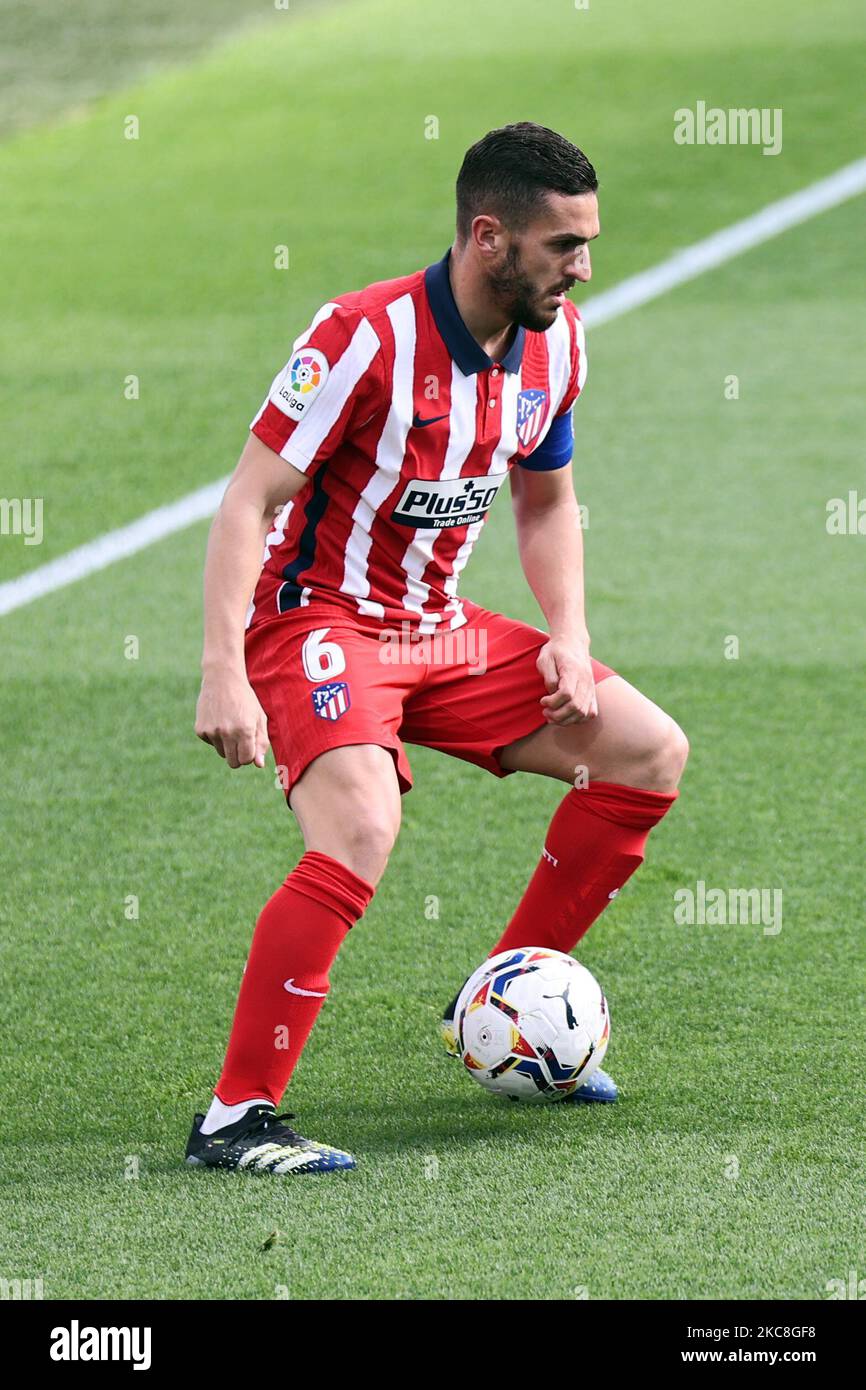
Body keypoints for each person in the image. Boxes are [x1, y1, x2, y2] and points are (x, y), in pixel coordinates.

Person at [186, 122, 688, 1175]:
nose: (580, 267)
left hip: (439, 627)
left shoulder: (559, 343)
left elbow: (544, 501)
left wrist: (568, 636)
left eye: (587, 242)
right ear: (486, 236)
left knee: (644, 750)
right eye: (561, 246)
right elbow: (248, 498)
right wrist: (222, 668)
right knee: (360, 826)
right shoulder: (362, 336)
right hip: (315, 620)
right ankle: (236, 1115)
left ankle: (504, 1005)